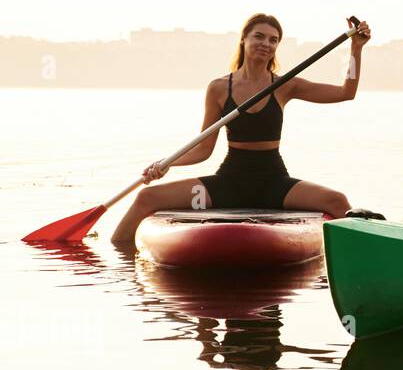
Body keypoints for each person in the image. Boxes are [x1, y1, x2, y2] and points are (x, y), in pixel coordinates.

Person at [111, 13, 372, 243]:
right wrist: (166, 164)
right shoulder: (218, 88)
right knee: (146, 198)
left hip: (274, 183)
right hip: (228, 183)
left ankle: (363, 255)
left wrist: (355, 49)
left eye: (273, 40)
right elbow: (203, 149)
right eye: (259, 36)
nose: (266, 44)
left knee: (337, 201)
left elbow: (346, 92)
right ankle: (115, 263)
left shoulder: (285, 85)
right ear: (243, 40)